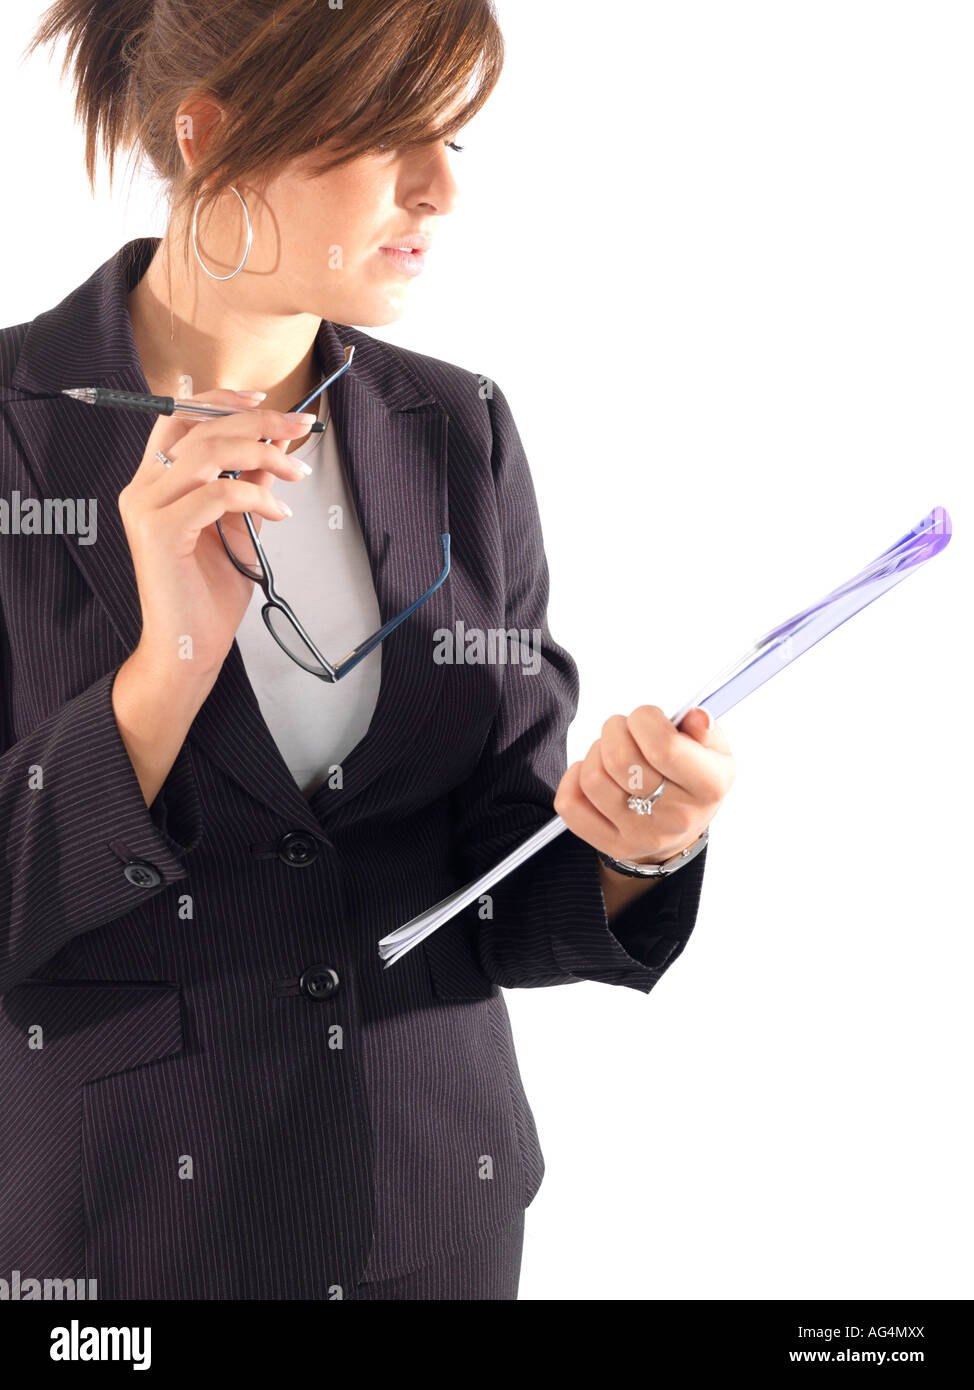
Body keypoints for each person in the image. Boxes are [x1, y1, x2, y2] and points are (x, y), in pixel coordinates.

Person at [0, 0, 735, 1300]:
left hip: (435, 1216)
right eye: (391, 134)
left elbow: (493, 874)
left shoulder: (457, 425)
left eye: (455, 137)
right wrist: (163, 672)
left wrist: (630, 845)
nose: (441, 188)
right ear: (212, 134)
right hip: (126, 1248)